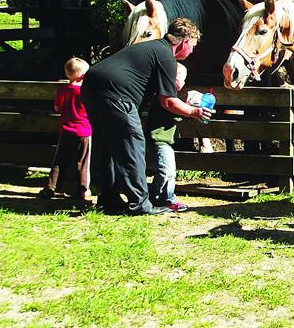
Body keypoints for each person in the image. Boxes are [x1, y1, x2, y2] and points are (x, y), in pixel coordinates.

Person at [82, 17, 212, 216]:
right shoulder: (166, 55)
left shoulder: (153, 48)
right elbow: (167, 101)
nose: (192, 51)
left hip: (91, 86)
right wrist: (194, 111)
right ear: (185, 41)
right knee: (133, 145)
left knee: (108, 144)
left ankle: (108, 198)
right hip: (117, 94)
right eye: (192, 46)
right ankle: (140, 203)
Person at [39, 57, 92, 203]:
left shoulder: (62, 90)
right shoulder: (85, 92)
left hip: (66, 130)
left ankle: (51, 186)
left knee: (59, 160)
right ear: (82, 76)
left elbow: (57, 107)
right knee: (82, 161)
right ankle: (81, 189)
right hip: (83, 132)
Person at [145, 63, 189, 213]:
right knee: (165, 170)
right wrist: (188, 109)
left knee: (169, 170)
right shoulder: (163, 97)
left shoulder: (169, 97)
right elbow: (172, 112)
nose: (183, 83)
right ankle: (158, 198)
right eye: (181, 78)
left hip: (165, 141)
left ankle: (166, 198)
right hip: (158, 140)